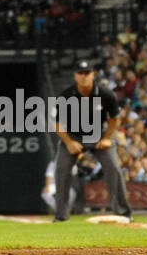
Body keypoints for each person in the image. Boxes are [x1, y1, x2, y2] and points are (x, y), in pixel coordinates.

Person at [53, 60, 132, 222]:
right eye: (80, 73)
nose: (84, 77)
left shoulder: (106, 94)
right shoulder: (66, 96)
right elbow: (57, 124)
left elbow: (114, 119)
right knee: (61, 170)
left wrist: (108, 138)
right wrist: (68, 142)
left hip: (99, 135)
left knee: (114, 168)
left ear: (93, 74)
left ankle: (123, 212)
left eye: (87, 73)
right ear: (75, 76)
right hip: (73, 136)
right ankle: (61, 216)